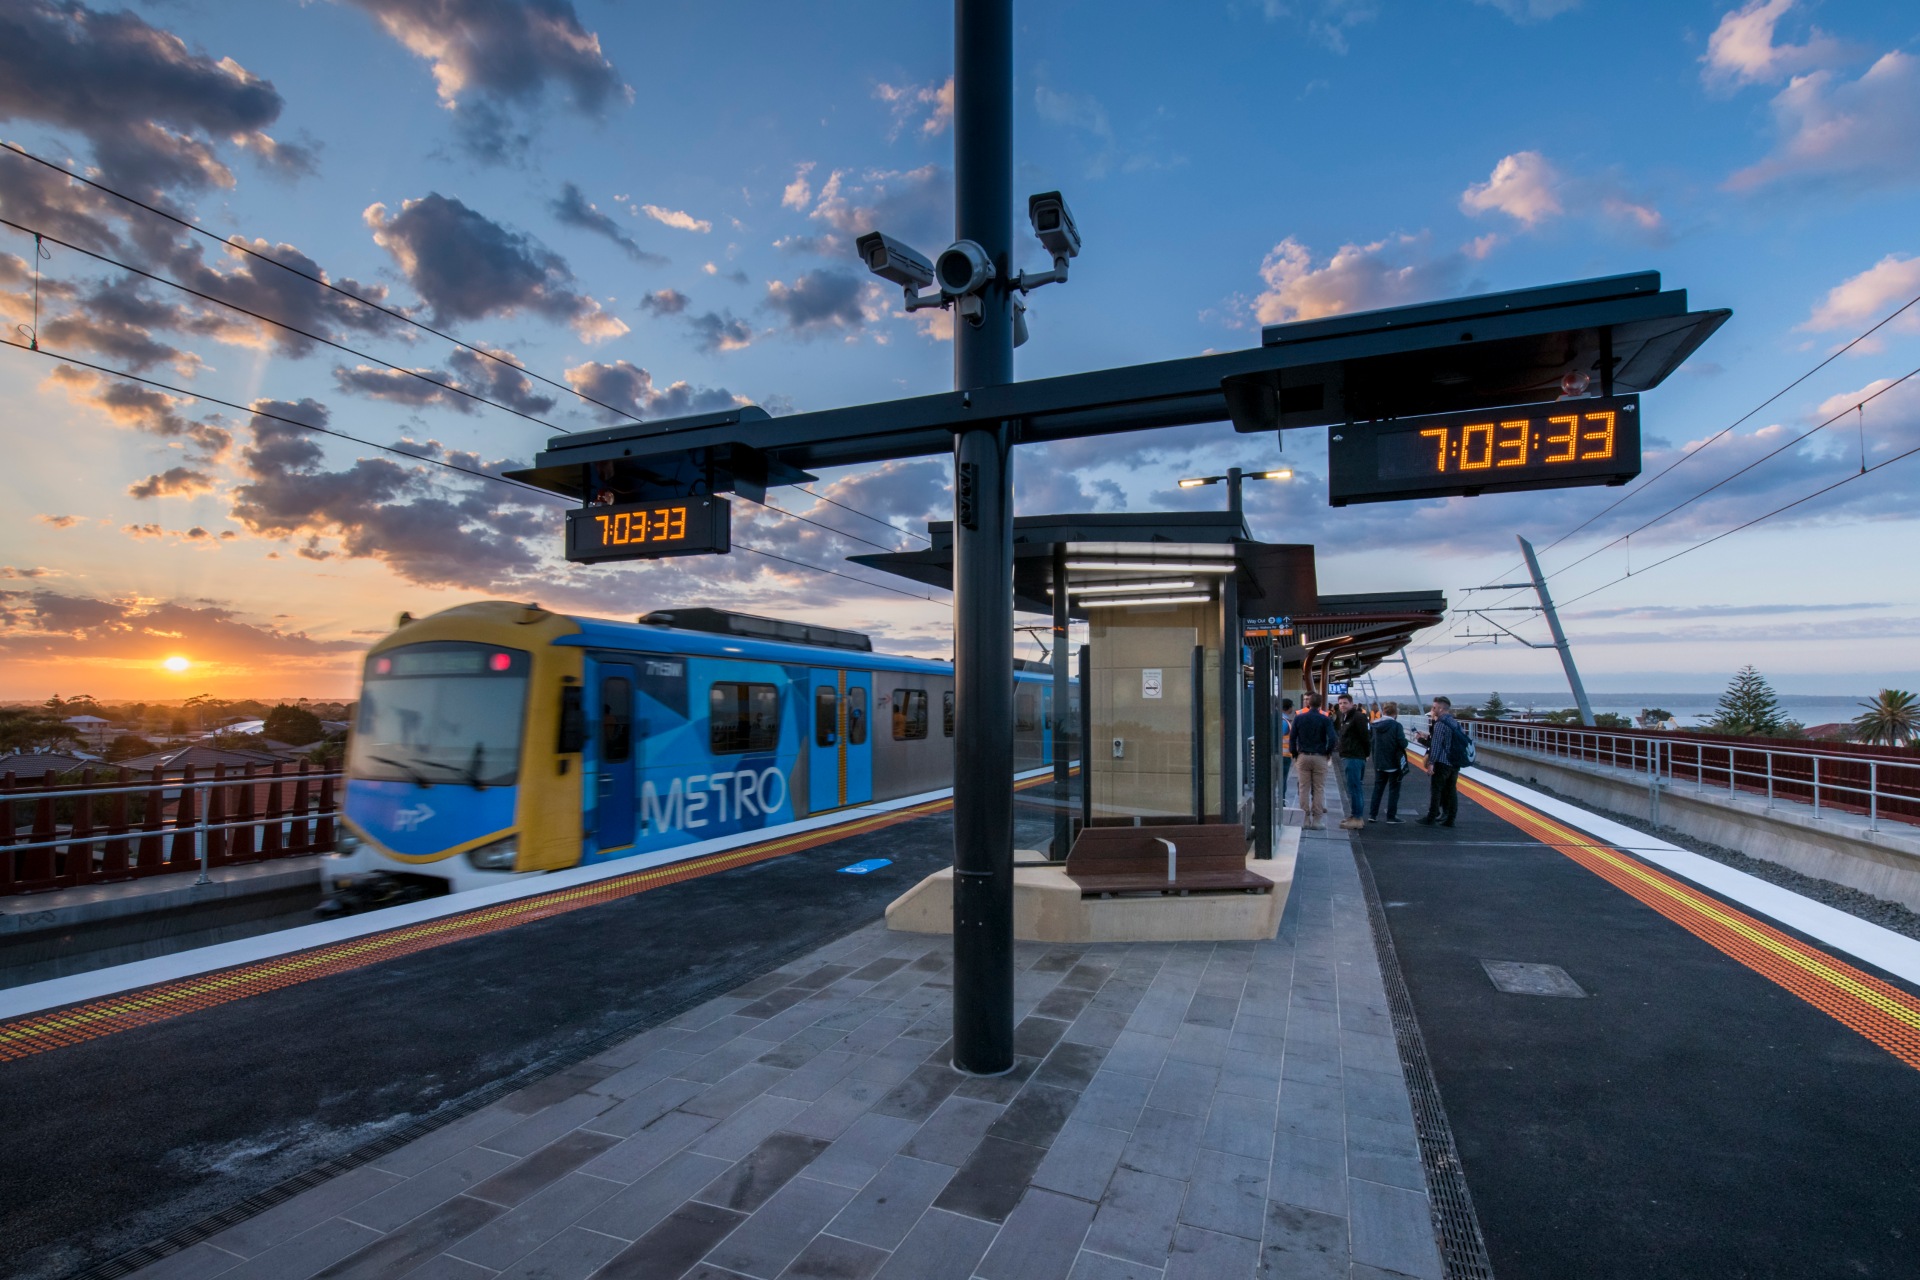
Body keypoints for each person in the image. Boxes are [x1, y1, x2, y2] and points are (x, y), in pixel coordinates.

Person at [1416, 695, 1466, 827]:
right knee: (1451, 790)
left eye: (1434, 707)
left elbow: (1436, 745)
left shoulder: (1440, 724)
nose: (1432, 710)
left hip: (1442, 762)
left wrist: (1431, 763)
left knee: (1436, 790)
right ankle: (1450, 819)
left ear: (1441, 708)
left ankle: (1431, 817)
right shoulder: (1455, 723)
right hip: (1454, 763)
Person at [1288, 693, 1336, 828]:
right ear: (1320, 704)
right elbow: (1332, 739)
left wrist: (1295, 753)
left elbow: (1292, 738)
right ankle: (1317, 820)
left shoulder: (1299, 718)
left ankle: (1304, 820)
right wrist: (1327, 752)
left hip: (1303, 756)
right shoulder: (1325, 719)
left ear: (1308, 704)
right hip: (1319, 756)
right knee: (1319, 788)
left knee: (1303, 788)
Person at [1368, 701, 1410, 823]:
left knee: (1378, 788)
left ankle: (1372, 815)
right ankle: (1391, 817)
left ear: (1383, 711)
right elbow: (1403, 743)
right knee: (1394, 790)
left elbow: (1372, 743)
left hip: (1379, 762)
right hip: (1394, 763)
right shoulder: (1397, 726)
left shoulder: (1374, 725)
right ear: (1395, 713)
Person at [1334, 693, 1371, 830]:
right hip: (1349, 756)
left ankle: (1357, 818)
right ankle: (1355, 815)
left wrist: (1366, 753)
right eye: (1340, 703)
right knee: (1353, 787)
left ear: (1351, 703)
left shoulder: (1358, 717)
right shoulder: (1344, 717)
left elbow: (1365, 737)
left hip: (1354, 757)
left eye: (1345, 703)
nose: (1342, 705)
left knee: (1355, 787)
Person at [1278, 698, 1294, 808]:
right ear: (1289, 708)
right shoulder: (1284, 721)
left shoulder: (1280, 719)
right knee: (1282, 780)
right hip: (1284, 756)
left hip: (1281, 755)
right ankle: (1281, 801)